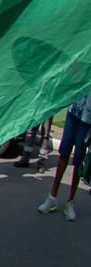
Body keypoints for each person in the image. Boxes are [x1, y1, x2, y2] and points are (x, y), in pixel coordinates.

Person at [38, 90, 91, 222]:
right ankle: (52, 197)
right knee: (64, 154)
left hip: (87, 120)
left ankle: (70, 202)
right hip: (73, 112)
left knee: (78, 160)